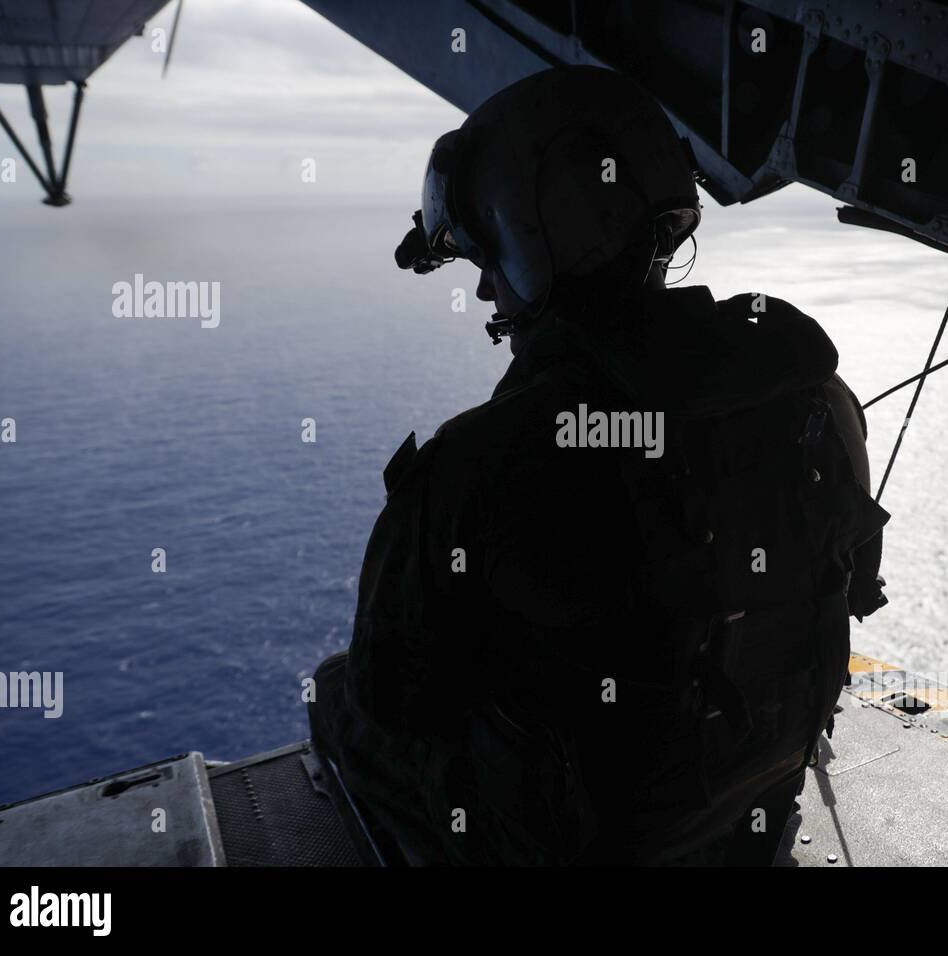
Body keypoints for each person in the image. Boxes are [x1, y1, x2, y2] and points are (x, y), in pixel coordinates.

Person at [309, 66, 888, 866]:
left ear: (529, 234)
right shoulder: (818, 396)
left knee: (336, 695)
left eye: (487, 258)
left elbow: (394, 697)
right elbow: (852, 587)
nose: (484, 290)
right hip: (752, 800)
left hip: (583, 845)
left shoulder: (479, 464)